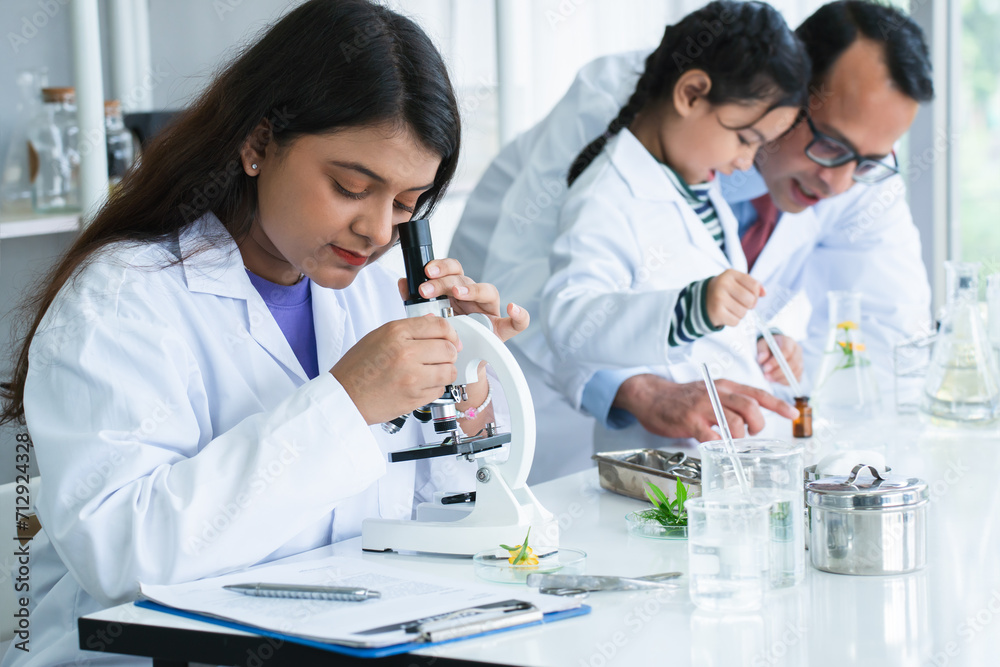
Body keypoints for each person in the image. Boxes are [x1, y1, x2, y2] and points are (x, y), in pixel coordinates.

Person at [0, 2, 526, 664]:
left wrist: (473, 382)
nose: (377, 231)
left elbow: (441, 503)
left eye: (405, 204)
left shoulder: (376, 288)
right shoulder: (123, 298)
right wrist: (346, 400)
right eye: (350, 186)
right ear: (257, 145)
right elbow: (122, 555)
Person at [449, 0, 933, 480]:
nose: (841, 183)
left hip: (710, 448)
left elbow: (890, 327)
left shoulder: (854, 167)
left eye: (868, 162)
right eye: (829, 143)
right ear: (789, 90)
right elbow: (539, 296)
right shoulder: (620, 116)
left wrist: (776, 340)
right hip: (539, 401)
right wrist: (640, 389)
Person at [540, 1, 809, 447]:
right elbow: (569, 320)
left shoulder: (697, 185)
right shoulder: (607, 194)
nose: (746, 161)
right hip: (663, 458)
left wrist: (768, 335)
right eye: (745, 139)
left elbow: (726, 308)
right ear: (691, 94)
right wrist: (692, 308)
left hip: (725, 448)